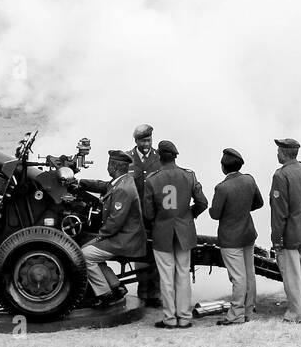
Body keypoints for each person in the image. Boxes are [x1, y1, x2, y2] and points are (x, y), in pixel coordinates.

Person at [144, 140, 208, 329]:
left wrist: (157, 220)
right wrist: (189, 216)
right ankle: (184, 317)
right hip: (184, 231)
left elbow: (147, 213)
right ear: (175, 156)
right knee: (183, 274)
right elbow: (202, 203)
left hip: (162, 232)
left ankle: (170, 319)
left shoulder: (152, 179)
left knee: (166, 277)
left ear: (159, 157)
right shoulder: (189, 176)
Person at [81, 150, 147, 307]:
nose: (107, 167)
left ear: (115, 166)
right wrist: (81, 183)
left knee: (83, 255)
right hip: (124, 236)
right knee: (91, 254)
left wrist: (98, 237)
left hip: (125, 240)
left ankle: (104, 294)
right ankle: (116, 287)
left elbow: (115, 222)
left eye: (109, 164)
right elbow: (105, 186)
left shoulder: (123, 189)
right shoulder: (123, 182)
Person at [209, 148, 263, 325]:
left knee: (237, 277)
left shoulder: (222, 188)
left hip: (230, 238)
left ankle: (236, 314)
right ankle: (249, 310)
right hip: (248, 233)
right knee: (249, 274)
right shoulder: (249, 180)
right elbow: (259, 203)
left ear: (223, 167)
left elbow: (215, 214)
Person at [270, 138, 301, 324]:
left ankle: (297, 314)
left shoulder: (281, 175)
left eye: (279, 151)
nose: (277, 153)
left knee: (292, 276)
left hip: (289, 233)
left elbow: (279, 212)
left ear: (285, 153)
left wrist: (276, 238)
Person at [129, 124, 162, 307]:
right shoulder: (127, 158)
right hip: (135, 216)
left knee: (155, 254)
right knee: (139, 254)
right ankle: (143, 292)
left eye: (149, 139)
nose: (147, 143)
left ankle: (155, 294)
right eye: (143, 140)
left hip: (155, 216)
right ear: (136, 141)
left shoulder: (159, 158)